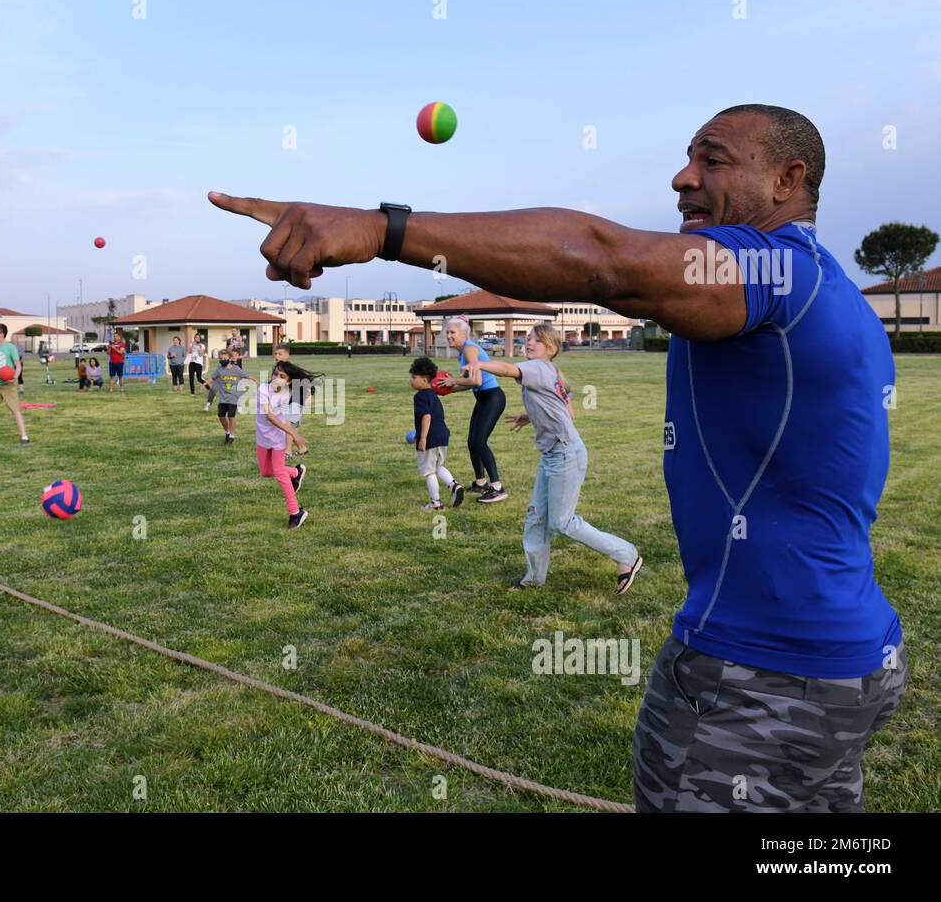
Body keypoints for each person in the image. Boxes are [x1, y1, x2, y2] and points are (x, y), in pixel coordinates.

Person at [209, 103, 906, 813]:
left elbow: (605, 263)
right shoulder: (833, 293)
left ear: (790, 179)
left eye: (713, 160)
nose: (682, 177)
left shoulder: (779, 272)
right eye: (687, 157)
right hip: (846, 655)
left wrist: (380, 229)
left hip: (764, 671)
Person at [463, 323, 641, 591]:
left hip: (565, 453)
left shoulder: (538, 367)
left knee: (562, 522)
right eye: (528, 339)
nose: (529, 343)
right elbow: (569, 411)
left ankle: (627, 554)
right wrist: (531, 415)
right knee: (536, 517)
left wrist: (480, 365)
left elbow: (509, 369)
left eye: (537, 340)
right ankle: (533, 579)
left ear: (551, 348)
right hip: (553, 454)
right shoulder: (553, 372)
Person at [443, 316, 508, 503]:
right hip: (483, 398)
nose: (449, 336)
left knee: (480, 442)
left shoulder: (470, 349)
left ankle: (498, 488)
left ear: (463, 334)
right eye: (447, 332)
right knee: (472, 442)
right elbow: (472, 383)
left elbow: (476, 380)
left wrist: (454, 380)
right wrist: (450, 389)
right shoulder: (464, 351)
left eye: (452, 332)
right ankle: (481, 483)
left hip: (492, 398)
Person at [257, 361, 308, 528]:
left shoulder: (288, 392)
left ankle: (295, 512)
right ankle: (296, 471)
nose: (277, 378)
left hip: (277, 436)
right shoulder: (263, 389)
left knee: (279, 473)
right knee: (265, 472)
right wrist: (294, 434)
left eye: (282, 376)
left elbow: (283, 417)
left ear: (289, 381)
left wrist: (289, 435)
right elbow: (270, 416)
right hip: (263, 436)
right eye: (275, 374)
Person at [409, 357, 464, 510]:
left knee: (429, 471)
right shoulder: (434, 395)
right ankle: (454, 485)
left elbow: (426, 417)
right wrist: (417, 435)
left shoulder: (419, 396)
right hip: (442, 435)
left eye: (414, 377)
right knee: (438, 465)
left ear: (425, 379)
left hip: (430, 437)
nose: (411, 380)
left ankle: (435, 503)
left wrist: (423, 438)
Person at [202, 349, 252, 444]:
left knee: (231, 416)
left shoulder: (236, 369)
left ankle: (232, 435)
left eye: (225, 358)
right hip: (223, 398)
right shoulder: (219, 370)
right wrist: (205, 384)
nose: (222, 360)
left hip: (233, 397)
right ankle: (227, 432)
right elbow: (212, 378)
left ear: (230, 358)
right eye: (221, 358)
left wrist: (256, 381)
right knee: (221, 416)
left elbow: (246, 376)